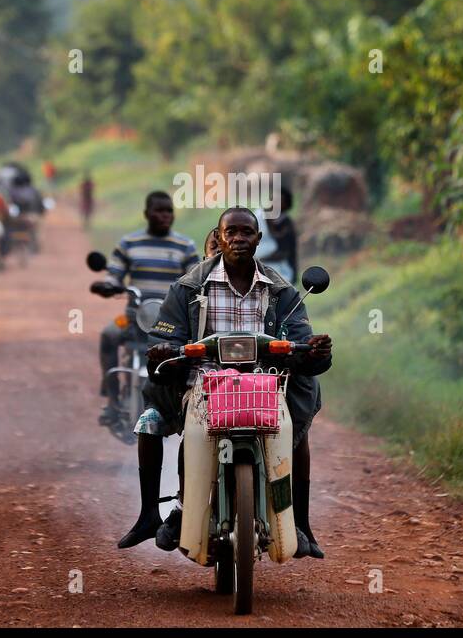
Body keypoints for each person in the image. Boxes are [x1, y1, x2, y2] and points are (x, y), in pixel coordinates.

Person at [119, 206, 332, 557]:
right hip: (201, 384)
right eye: (230, 232)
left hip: (267, 386)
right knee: (181, 427)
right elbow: (165, 334)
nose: (237, 239)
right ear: (218, 237)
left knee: (295, 429)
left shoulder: (282, 291)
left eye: (245, 232)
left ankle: (296, 522)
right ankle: (172, 510)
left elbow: (299, 339)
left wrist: (313, 349)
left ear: (258, 239)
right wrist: (164, 350)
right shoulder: (187, 287)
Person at [90, 191, 199, 426]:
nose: (165, 215)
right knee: (108, 335)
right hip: (134, 317)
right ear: (146, 213)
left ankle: (185, 403)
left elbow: (195, 280)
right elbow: (115, 275)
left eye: (169, 210)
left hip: (170, 323)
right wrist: (108, 286)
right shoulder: (129, 243)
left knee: (193, 351)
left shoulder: (185, 246)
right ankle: (112, 400)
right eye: (159, 210)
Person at [254, 185, 298, 283]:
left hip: (279, 269)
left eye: (279, 201)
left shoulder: (286, 224)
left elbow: (287, 251)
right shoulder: (259, 216)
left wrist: (261, 260)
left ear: (286, 204)